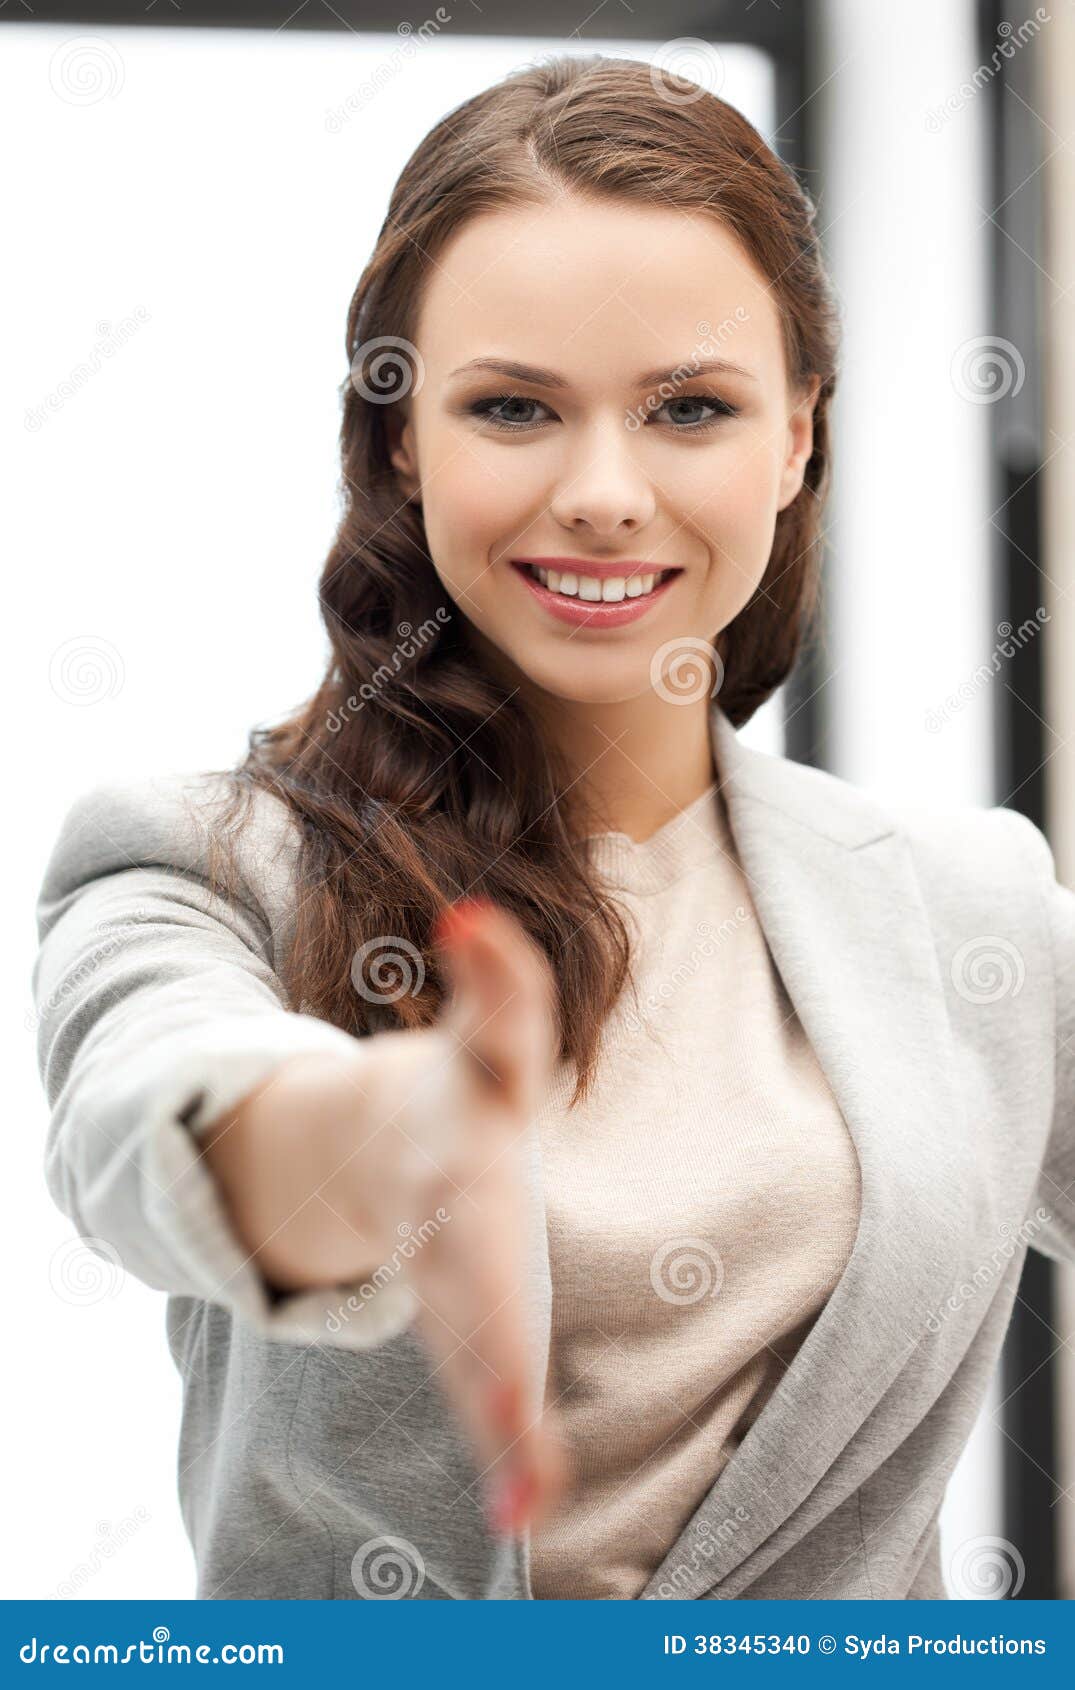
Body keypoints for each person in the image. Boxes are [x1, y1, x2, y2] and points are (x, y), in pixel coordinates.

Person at [31, 53, 1074, 1603]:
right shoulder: (201, 862)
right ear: (399, 436)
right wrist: (373, 1134)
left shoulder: (972, 909)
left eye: (690, 409)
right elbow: (137, 1119)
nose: (603, 491)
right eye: (514, 405)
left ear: (795, 438)